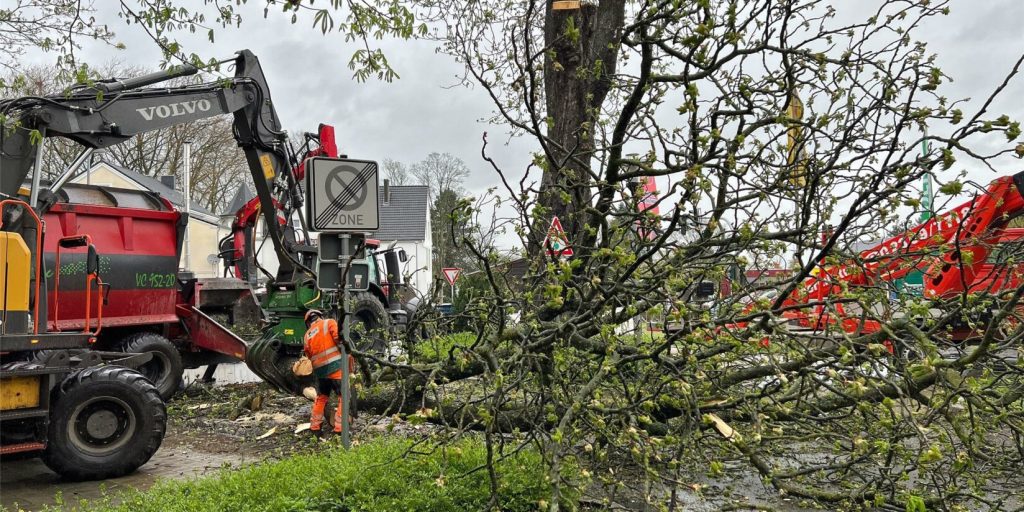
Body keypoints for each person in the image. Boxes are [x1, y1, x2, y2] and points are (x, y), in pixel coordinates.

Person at [301, 309, 351, 435]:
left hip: (320, 371)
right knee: (344, 396)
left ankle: (315, 427)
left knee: (321, 397)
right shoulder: (329, 323)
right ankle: (340, 429)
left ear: (308, 322)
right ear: (319, 316)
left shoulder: (307, 335)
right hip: (335, 366)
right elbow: (339, 339)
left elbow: (308, 354)